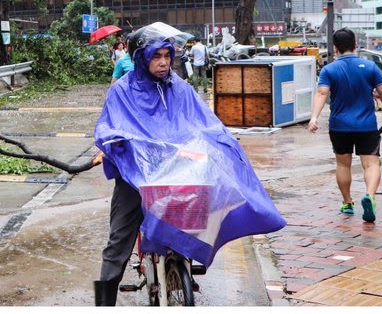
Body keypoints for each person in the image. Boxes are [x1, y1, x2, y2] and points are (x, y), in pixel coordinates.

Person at [92, 32, 285, 305]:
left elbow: (204, 122)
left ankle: (183, 259)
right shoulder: (122, 91)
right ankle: (103, 304)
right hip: (137, 178)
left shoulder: (179, 87)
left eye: (167, 56)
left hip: (179, 172)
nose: (163, 62)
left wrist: (219, 141)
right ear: (140, 58)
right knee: (117, 245)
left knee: (208, 207)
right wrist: (115, 141)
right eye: (156, 56)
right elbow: (107, 126)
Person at [309, 29, 382, 222]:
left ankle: (347, 202)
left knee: (342, 163)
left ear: (335, 48)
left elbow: (322, 93)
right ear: (355, 44)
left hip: (339, 126)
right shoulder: (370, 66)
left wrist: (314, 117)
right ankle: (370, 197)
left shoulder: (329, 69)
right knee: (371, 163)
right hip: (366, 126)